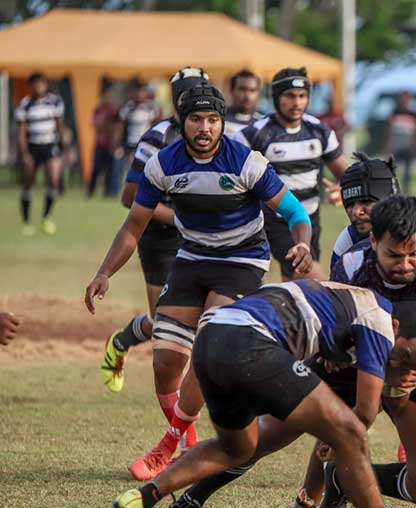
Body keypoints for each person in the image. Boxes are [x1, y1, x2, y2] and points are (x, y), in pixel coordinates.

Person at [108, 281, 416, 508]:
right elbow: (365, 411)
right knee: (350, 431)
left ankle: (141, 498)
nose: (398, 361)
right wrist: (337, 437)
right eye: (404, 354)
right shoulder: (379, 318)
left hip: (212, 337)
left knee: (237, 448)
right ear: (397, 328)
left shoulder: (347, 301)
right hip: (248, 340)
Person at [85, 82, 314, 482]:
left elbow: (295, 213)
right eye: (196, 119)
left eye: (213, 119)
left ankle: (168, 446)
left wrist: (303, 244)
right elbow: (133, 225)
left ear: (222, 123)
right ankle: (188, 440)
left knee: (208, 345)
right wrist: (104, 272)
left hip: (242, 261)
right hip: (192, 258)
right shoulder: (163, 164)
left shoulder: (245, 162)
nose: (205, 128)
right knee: (166, 363)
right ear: (182, 122)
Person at [99, 67, 208, 397]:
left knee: (208, 316)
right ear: (177, 102)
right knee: (166, 323)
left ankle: (200, 394)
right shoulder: (157, 138)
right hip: (159, 238)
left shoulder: (213, 133)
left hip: (200, 237)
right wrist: (176, 217)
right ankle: (121, 342)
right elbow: (128, 196)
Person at [235, 67, 347, 281]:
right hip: (275, 220)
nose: (297, 103)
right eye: (290, 96)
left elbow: (347, 174)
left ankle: (289, 315)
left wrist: (342, 188)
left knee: (295, 285)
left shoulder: (319, 131)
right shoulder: (255, 134)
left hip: (311, 217)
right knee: (313, 278)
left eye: (302, 96)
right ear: (277, 97)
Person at [15, 72, 66, 236]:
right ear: (29, 87)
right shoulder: (25, 105)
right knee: (28, 182)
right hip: (32, 147)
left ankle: (46, 217)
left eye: (41, 83)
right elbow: (22, 131)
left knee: (53, 179)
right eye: (35, 84)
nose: (38, 87)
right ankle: (26, 221)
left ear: (45, 84)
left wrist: (64, 146)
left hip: (50, 145)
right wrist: (24, 153)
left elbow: (59, 125)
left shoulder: (54, 102)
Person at [88, 87, 122, 199]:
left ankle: (108, 192)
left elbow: (118, 126)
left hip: (111, 144)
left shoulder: (114, 110)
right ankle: (90, 191)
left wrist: (116, 143)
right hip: (101, 143)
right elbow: (95, 124)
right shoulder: (99, 110)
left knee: (110, 170)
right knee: (96, 169)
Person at [119, 80, 160, 166]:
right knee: (130, 168)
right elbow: (121, 125)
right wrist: (119, 144)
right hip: (131, 143)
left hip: (145, 143)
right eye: (137, 91)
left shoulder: (151, 107)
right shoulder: (129, 106)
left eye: (142, 91)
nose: (139, 94)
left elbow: (156, 125)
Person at [387, 91, 416, 192]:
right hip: (396, 146)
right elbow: (389, 131)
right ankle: (393, 190)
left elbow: (415, 132)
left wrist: (415, 146)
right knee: (392, 170)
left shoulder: (413, 114)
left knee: (407, 173)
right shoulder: (394, 113)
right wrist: (389, 145)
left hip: (408, 146)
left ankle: (405, 191)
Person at [223, 70, 263, 139]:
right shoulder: (219, 120)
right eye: (242, 89)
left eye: (252, 90)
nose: (247, 96)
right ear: (231, 91)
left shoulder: (263, 124)